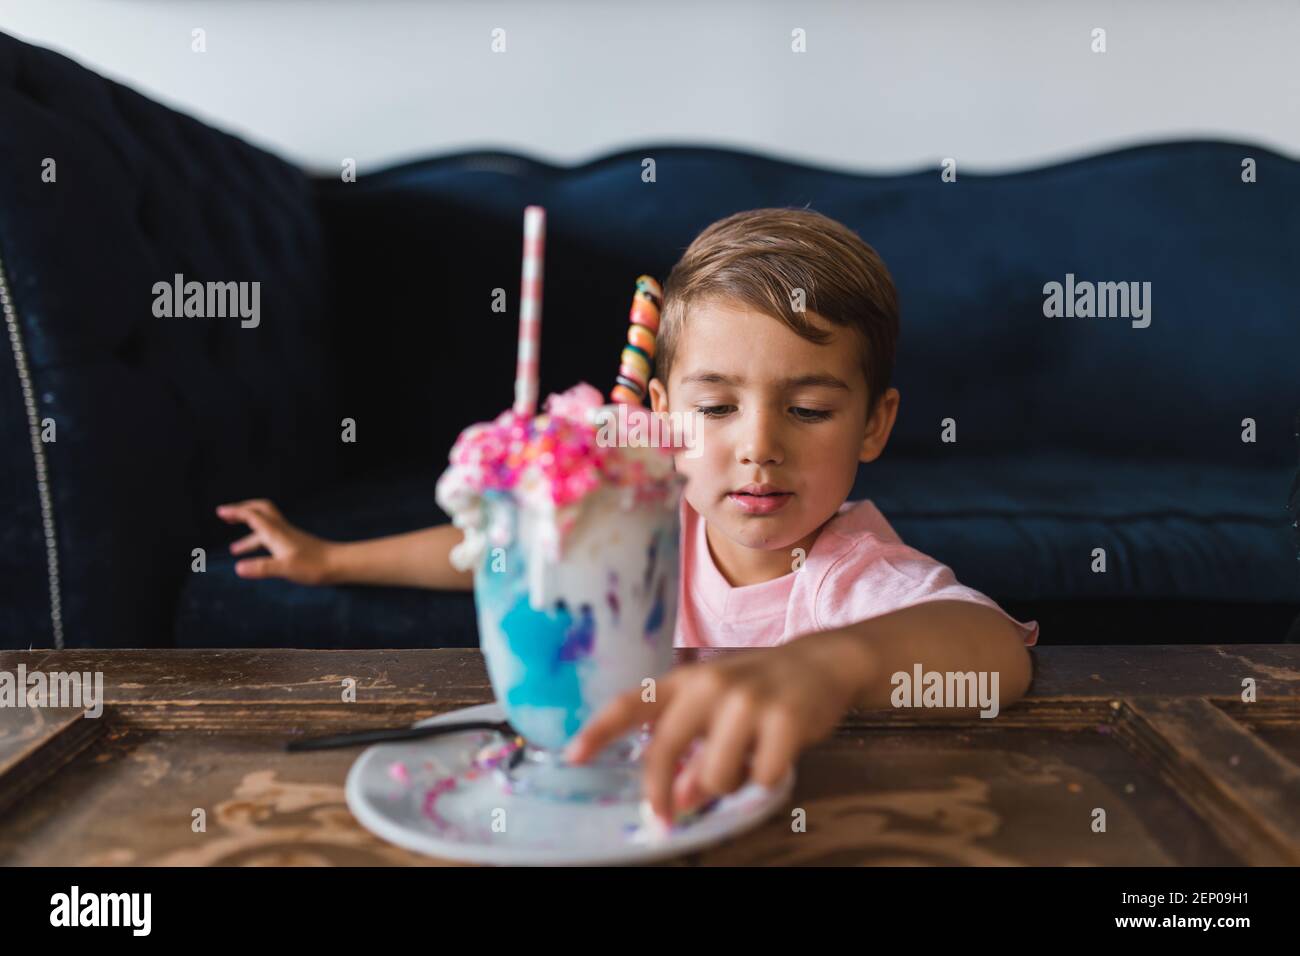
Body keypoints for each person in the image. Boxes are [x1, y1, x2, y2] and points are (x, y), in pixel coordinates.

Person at [217, 207, 1038, 827]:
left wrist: (828, 667)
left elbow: (993, 651)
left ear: (875, 424)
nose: (758, 446)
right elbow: (498, 548)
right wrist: (330, 561)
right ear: (657, 417)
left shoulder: (847, 577)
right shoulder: (650, 525)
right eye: (715, 407)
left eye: (811, 410)